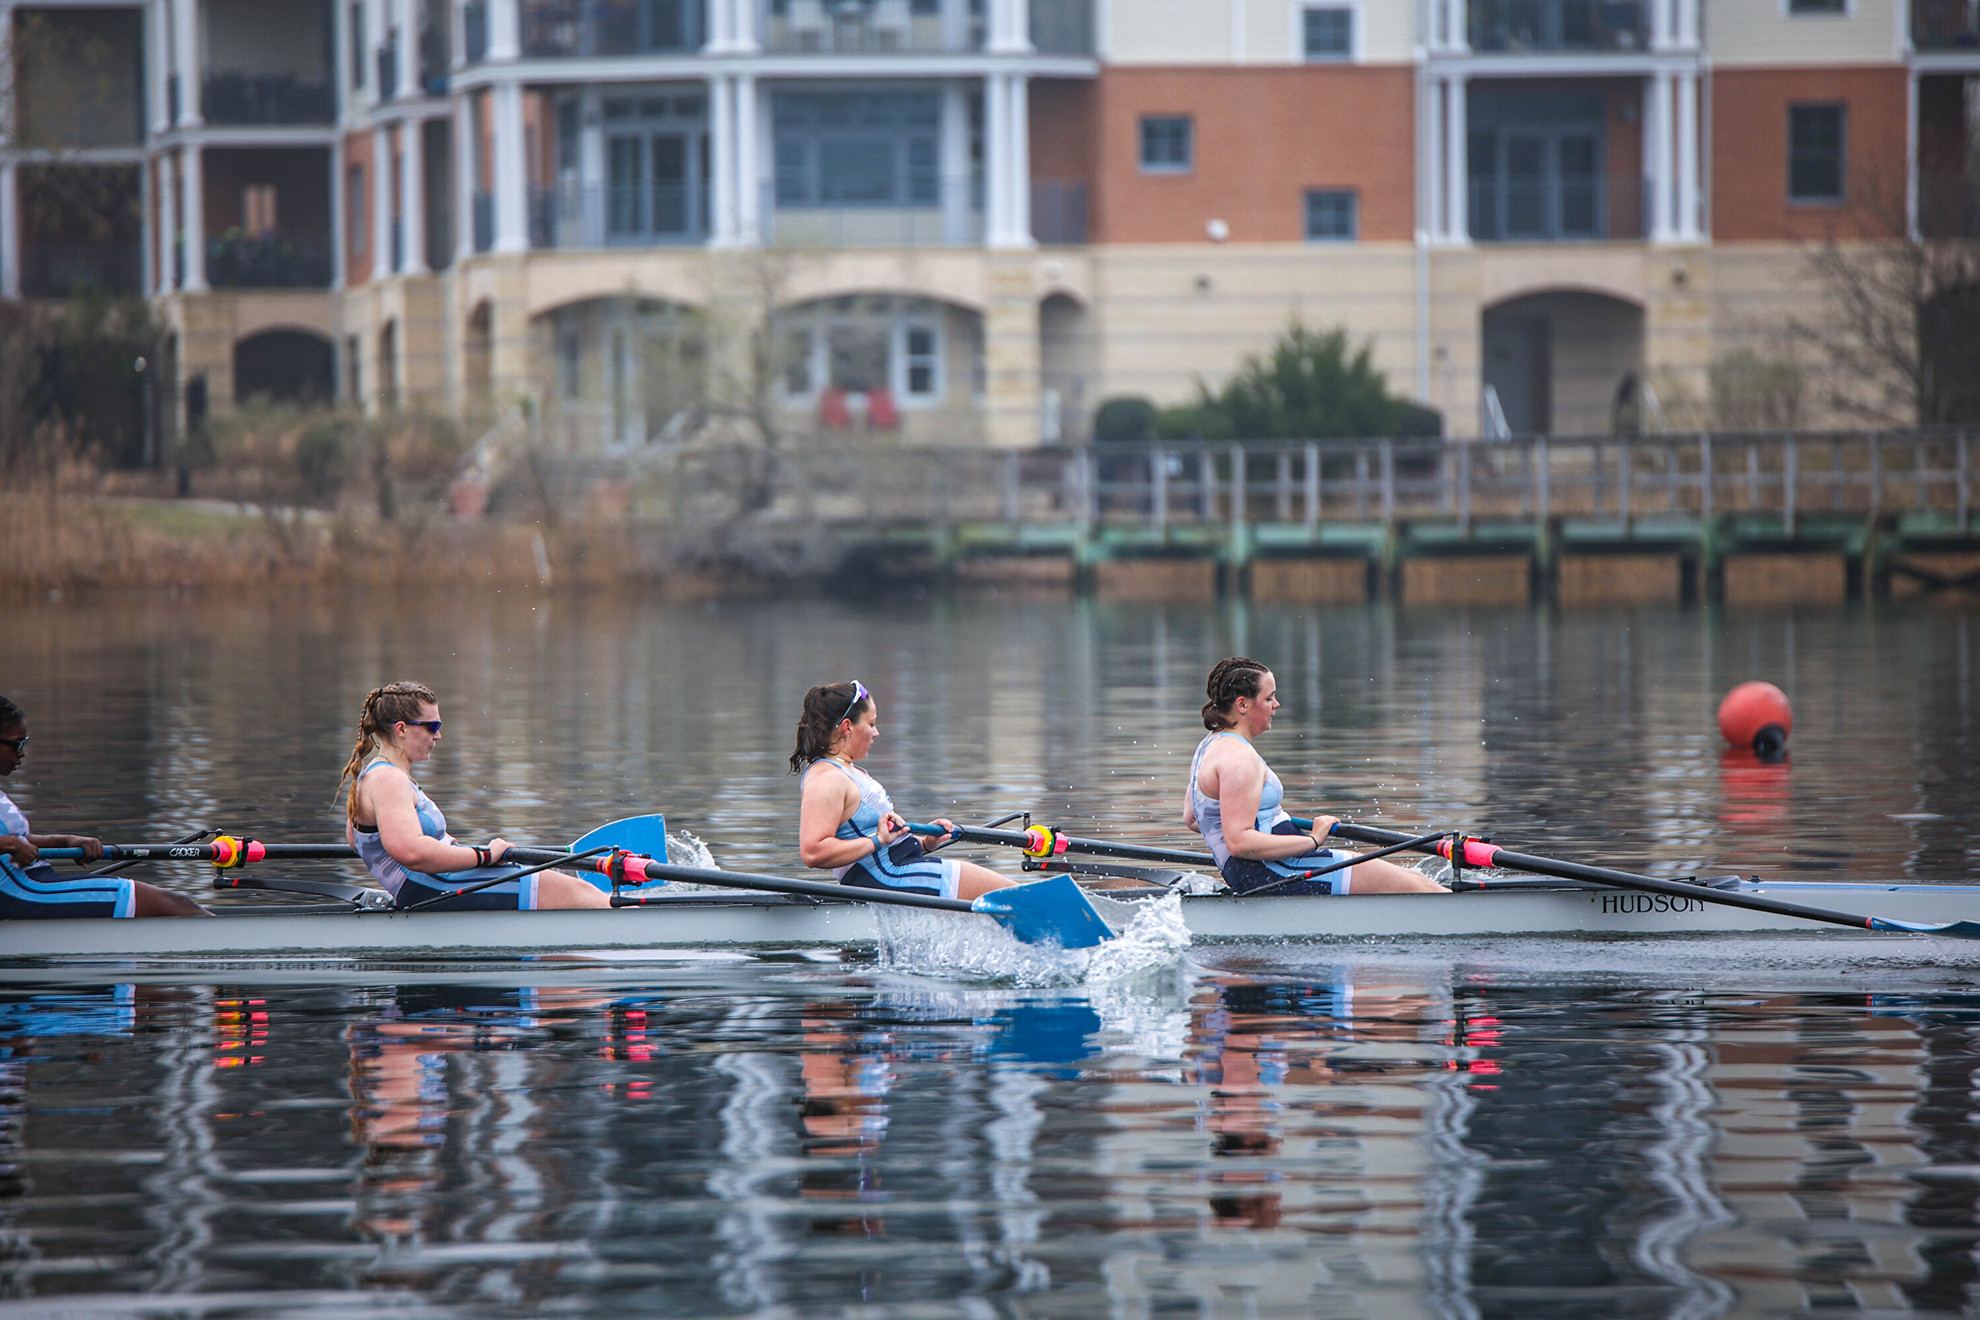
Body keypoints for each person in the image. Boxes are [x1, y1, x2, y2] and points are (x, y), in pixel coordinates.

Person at [1184, 658, 1447, 896]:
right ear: (1242, 704)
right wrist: (1313, 838)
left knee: (1415, 877)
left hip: (1262, 871)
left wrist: (1265, 818)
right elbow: (1239, 841)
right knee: (1424, 890)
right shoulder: (1238, 759)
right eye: (1269, 698)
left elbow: (1194, 818)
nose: (1276, 705)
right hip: (1277, 872)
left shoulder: (1209, 744)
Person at [338, 681, 609, 910]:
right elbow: (411, 852)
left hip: (431, 884)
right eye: (432, 726)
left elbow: (359, 840)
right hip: (432, 888)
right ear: (401, 729)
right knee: (584, 896)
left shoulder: (376, 775)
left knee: (565, 887)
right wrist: (485, 856)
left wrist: (450, 849)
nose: (439, 735)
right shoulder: (388, 780)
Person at [793, 680, 1015, 902]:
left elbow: (882, 844)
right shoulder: (827, 778)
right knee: (1016, 897)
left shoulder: (847, 771)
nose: (876, 732)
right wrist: (878, 839)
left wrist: (925, 843)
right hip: (887, 878)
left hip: (897, 870)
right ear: (847, 727)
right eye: (871, 724)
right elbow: (814, 852)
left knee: (1010, 895)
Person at [0, 693, 210, 918]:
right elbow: (13, 843)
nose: (22, 752)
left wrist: (69, 840)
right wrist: (11, 844)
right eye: (17, 744)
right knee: (177, 905)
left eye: (25, 743)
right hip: (22, 893)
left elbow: (20, 839)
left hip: (31, 883)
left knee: (178, 904)